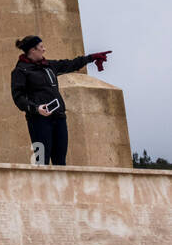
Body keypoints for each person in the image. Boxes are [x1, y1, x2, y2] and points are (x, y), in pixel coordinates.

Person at [10, 34, 111, 166]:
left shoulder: (49, 65)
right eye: (41, 47)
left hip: (58, 117)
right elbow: (18, 97)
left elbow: (70, 64)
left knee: (60, 161)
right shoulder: (20, 71)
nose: (44, 49)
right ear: (32, 50)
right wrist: (36, 108)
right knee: (42, 160)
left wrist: (92, 58)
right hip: (38, 120)